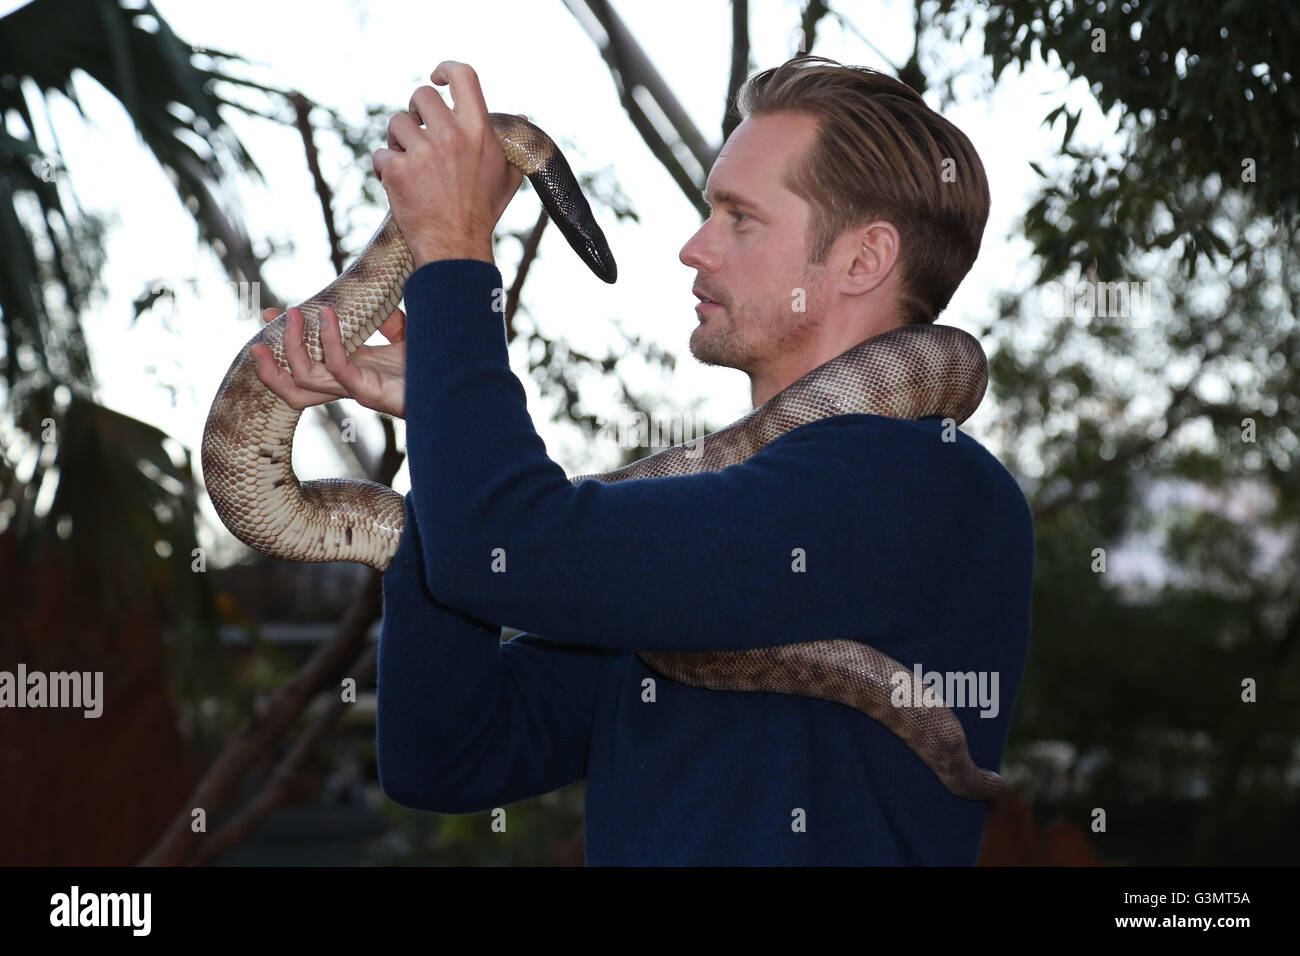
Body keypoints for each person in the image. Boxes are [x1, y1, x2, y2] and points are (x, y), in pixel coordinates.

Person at [251, 56, 1034, 865]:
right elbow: (452, 754)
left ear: (863, 260)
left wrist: (453, 254)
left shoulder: (919, 482)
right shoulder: (723, 531)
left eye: (740, 218)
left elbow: (515, 546)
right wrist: (441, 413)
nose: (695, 248)